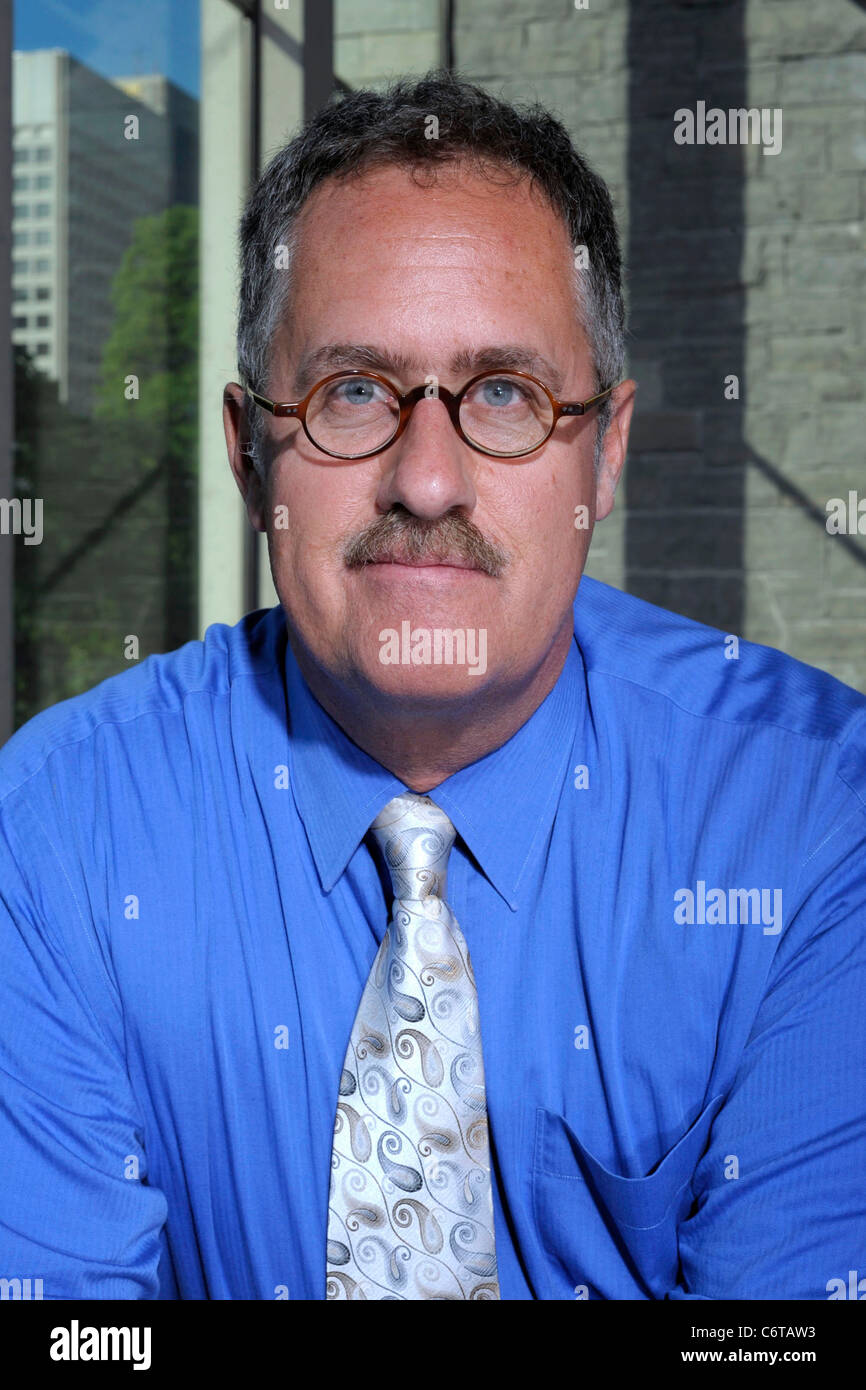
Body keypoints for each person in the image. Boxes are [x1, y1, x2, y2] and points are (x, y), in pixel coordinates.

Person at [1, 71, 864, 1302]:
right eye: (353, 390)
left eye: (502, 395)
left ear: (604, 451)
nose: (425, 480)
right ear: (252, 457)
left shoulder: (817, 823)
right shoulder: (52, 841)